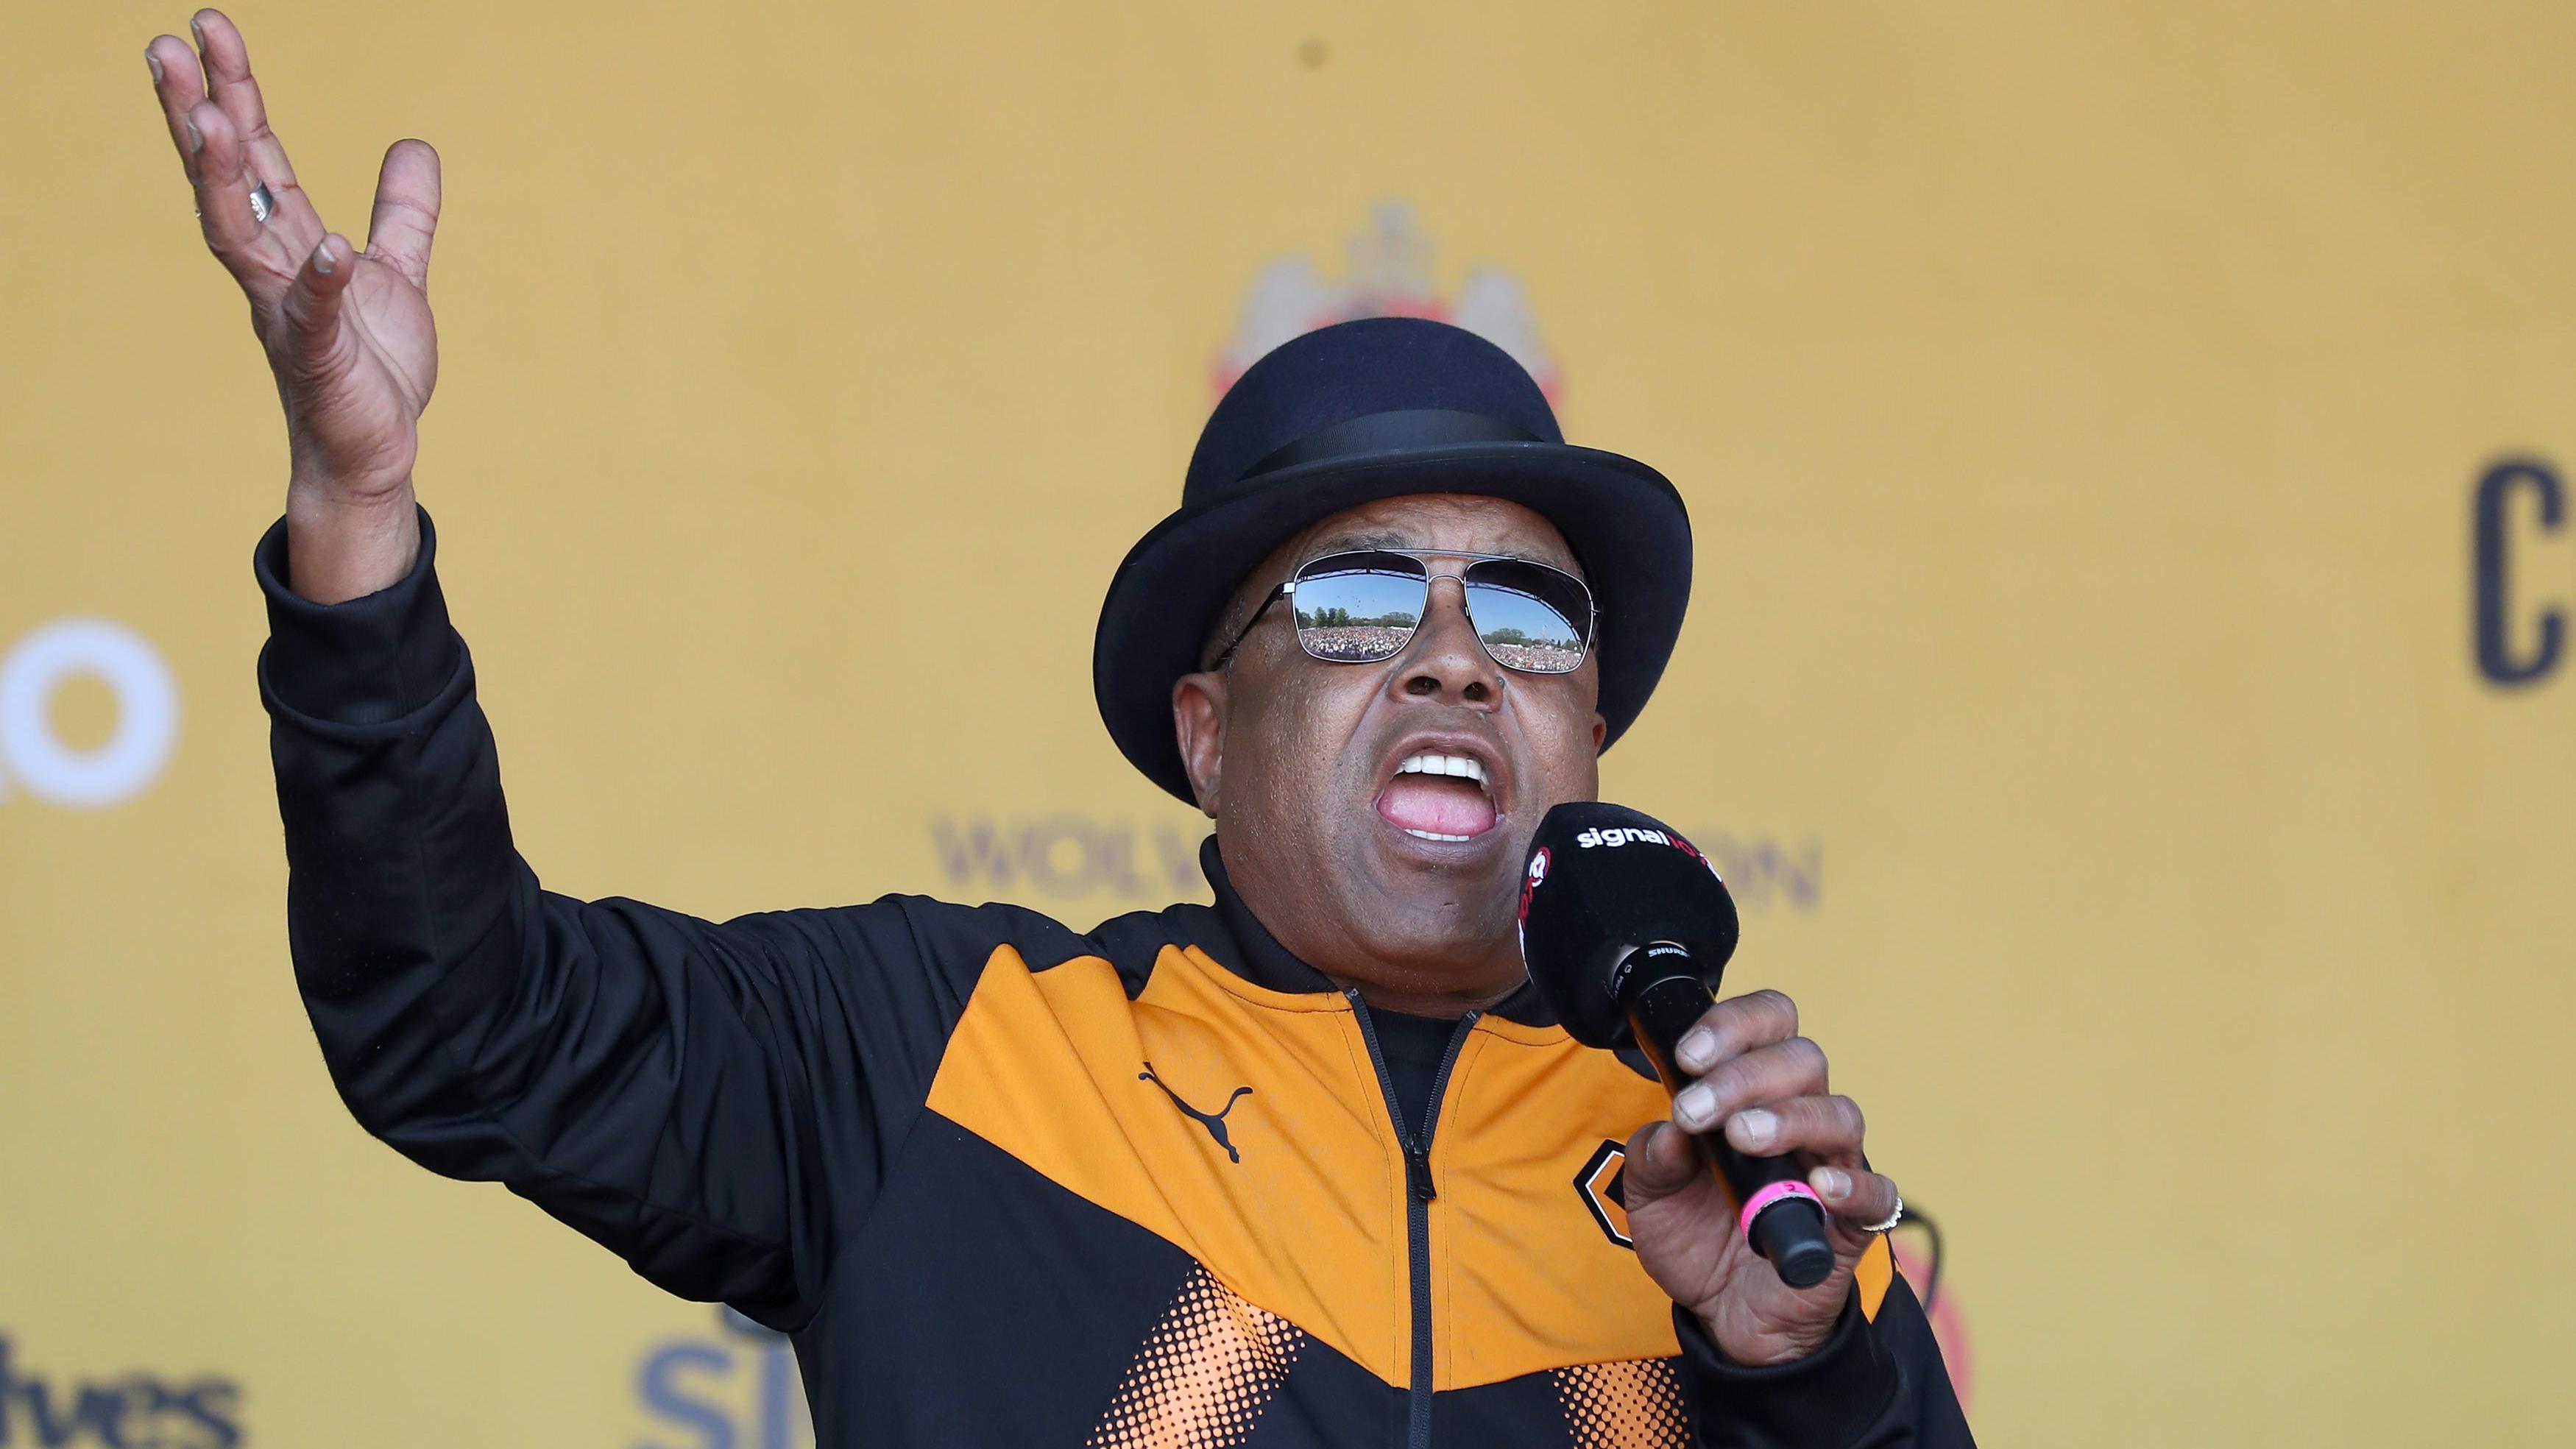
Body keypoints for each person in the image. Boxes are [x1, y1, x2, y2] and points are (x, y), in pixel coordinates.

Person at [145, 10, 1971, 1445]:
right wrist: (356, 517)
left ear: (1590, 733)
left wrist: (1797, 1369)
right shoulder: (940, 1049)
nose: (1450, 659)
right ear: (1205, 728)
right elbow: (460, 1023)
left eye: (1525, 614)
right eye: (1352, 599)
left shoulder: (1741, 1195)